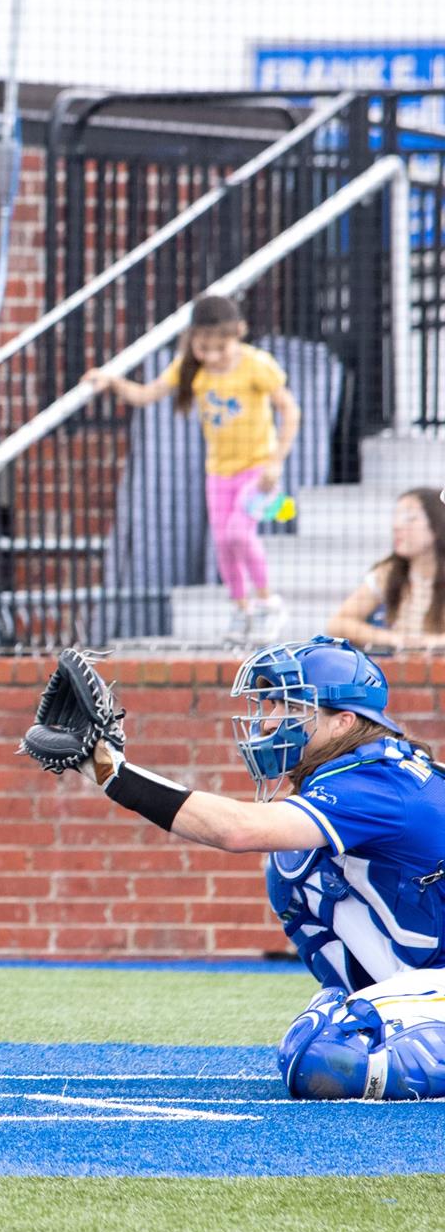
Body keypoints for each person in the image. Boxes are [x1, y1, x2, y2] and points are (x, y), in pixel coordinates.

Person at [55, 636, 445, 1100]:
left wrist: (110, 771)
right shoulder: (360, 771)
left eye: (290, 706)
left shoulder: (376, 780)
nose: (268, 720)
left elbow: (237, 830)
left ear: (343, 722)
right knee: (294, 870)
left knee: (329, 1056)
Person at [85, 293, 300, 647]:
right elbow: (146, 395)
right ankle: (240, 607)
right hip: (219, 472)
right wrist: (112, 381)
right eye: (204, 348)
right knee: (221, 542)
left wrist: (276, 461)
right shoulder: (191, 368)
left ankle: (267, 602)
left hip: (258, 470)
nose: (213, 357)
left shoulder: (256, 365)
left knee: (238, 533)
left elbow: (290, 411)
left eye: (221, 348)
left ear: (239, 334)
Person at [325, 489, 445, 652]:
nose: (397, 526)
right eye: (396, 518)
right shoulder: (388, 573)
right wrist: (394, 639)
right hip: (398, 670)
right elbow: (338, 623)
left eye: (410, 518)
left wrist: (431, 642)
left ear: (437, 525)